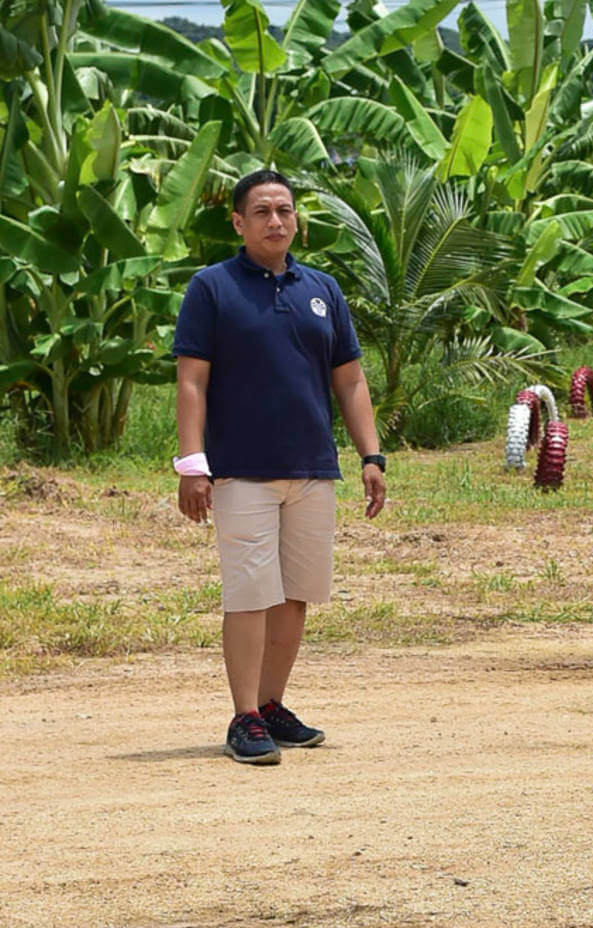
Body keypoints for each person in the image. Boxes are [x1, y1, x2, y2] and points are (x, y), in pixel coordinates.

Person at [172, 169, 387, 766]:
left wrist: (371, 455)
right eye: (262, 211)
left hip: (313, 469)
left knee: (295, 595)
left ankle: (271, 706)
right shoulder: (212, 287)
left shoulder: (322, 289)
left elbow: (350, 380)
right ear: (238, 222)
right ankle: (243, 716)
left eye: (285, 210)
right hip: (240, 471)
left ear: (297, 220)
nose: (276, 221)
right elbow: (192, 380)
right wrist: (192, 465)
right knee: (248, 595)